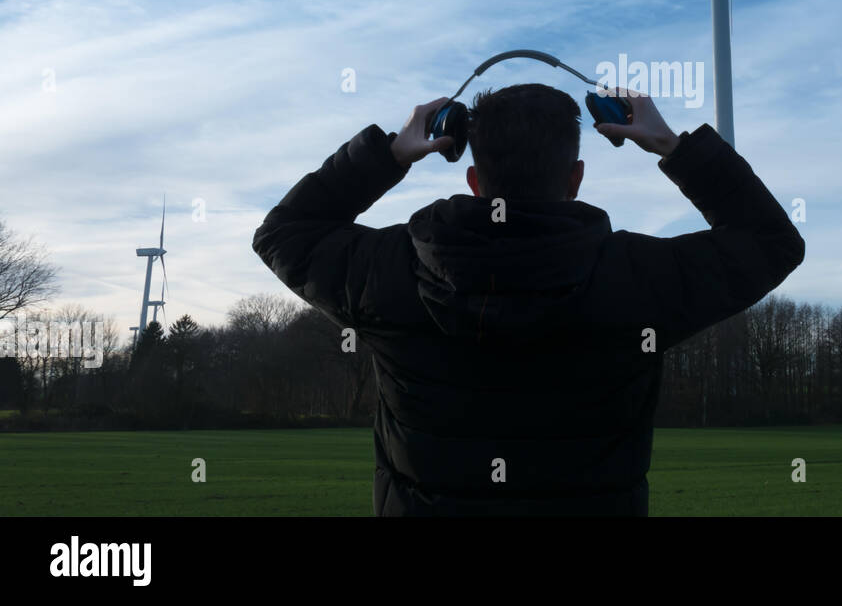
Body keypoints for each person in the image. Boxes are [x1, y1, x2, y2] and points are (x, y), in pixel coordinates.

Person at [252, 82, 805, 515]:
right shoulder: (640, 278)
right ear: (576, 178)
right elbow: (770, 241)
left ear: (473, 179)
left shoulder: (391, 271)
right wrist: (670, 145)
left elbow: (284, 234)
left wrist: (392, 152)